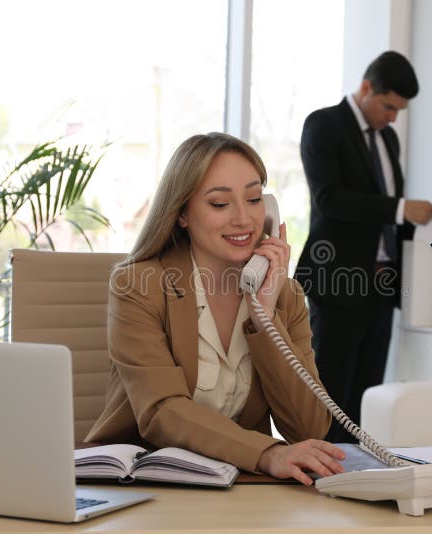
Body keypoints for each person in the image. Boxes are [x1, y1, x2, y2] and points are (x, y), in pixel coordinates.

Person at [86, 132, 346, 485]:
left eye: (254, 199)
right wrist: (267, 452)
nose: (244, 219)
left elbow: (309, 426)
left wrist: (264, 319)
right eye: (220, 204)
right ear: (181, 214)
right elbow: (162, 411)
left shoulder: (284, 294)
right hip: (142, 482)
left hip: (237, 487)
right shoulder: (138, 286)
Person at [294, 51, 432, 443]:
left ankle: (359, 476)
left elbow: (389, 212)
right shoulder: (324, 125)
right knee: (330, 393)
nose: (393, 118)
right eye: (389, 106)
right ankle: (319, 476)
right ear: (365, 88)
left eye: (400, 111)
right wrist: (401, 208)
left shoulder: (389, 139)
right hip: (340, 281)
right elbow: (330, 199)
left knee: (367, 394)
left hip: (382, 284)